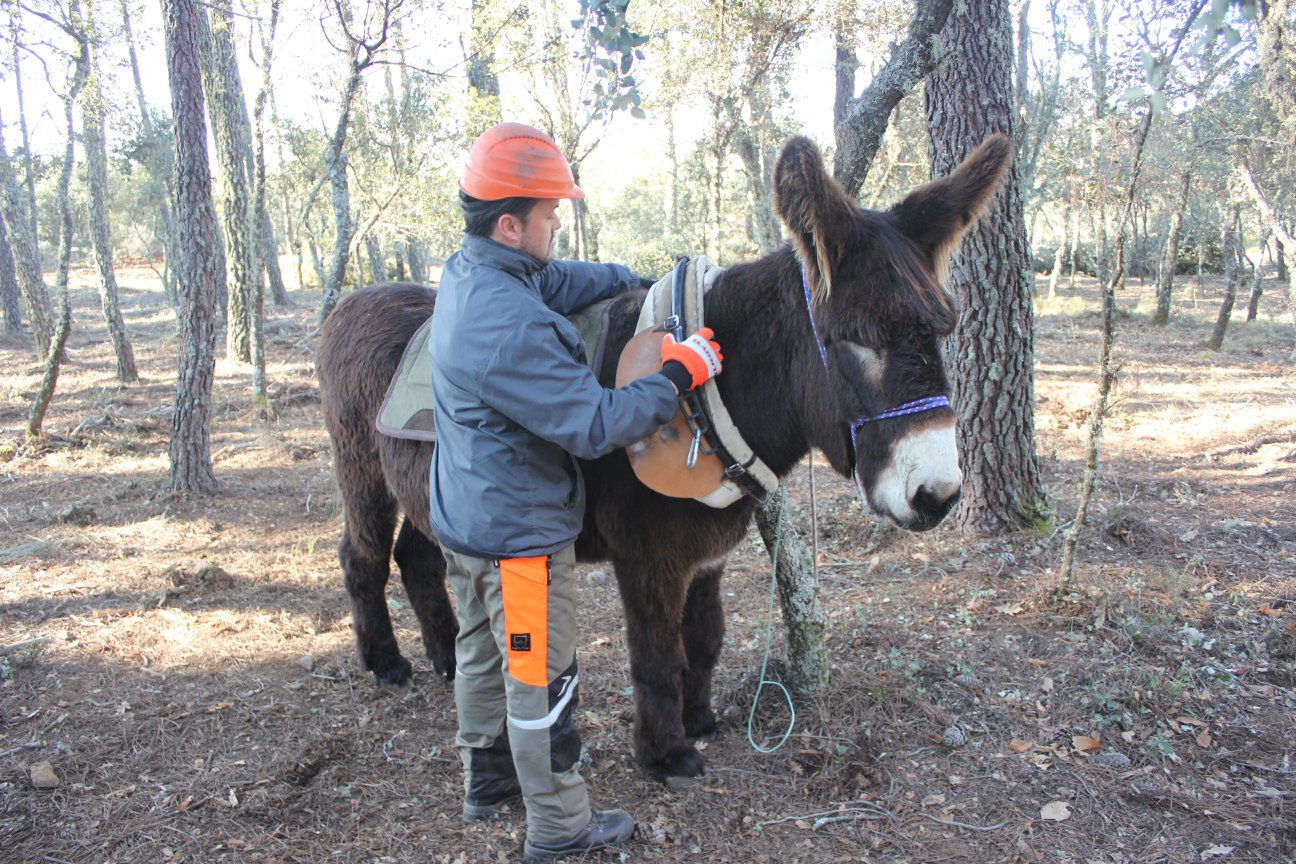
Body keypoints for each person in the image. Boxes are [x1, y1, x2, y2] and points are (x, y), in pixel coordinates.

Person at [426, 121, 724, 864]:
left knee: (481, 657)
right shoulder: (510, 325)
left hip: (465, 518)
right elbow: (596, 424)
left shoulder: (477, 271)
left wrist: (628, 277)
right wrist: (679, 372)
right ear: (508, 223)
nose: (557, 222)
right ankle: (558, 829)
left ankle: (487, 781)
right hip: (517, 539)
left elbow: (556, 279)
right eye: (548, 213)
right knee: (541, 679)